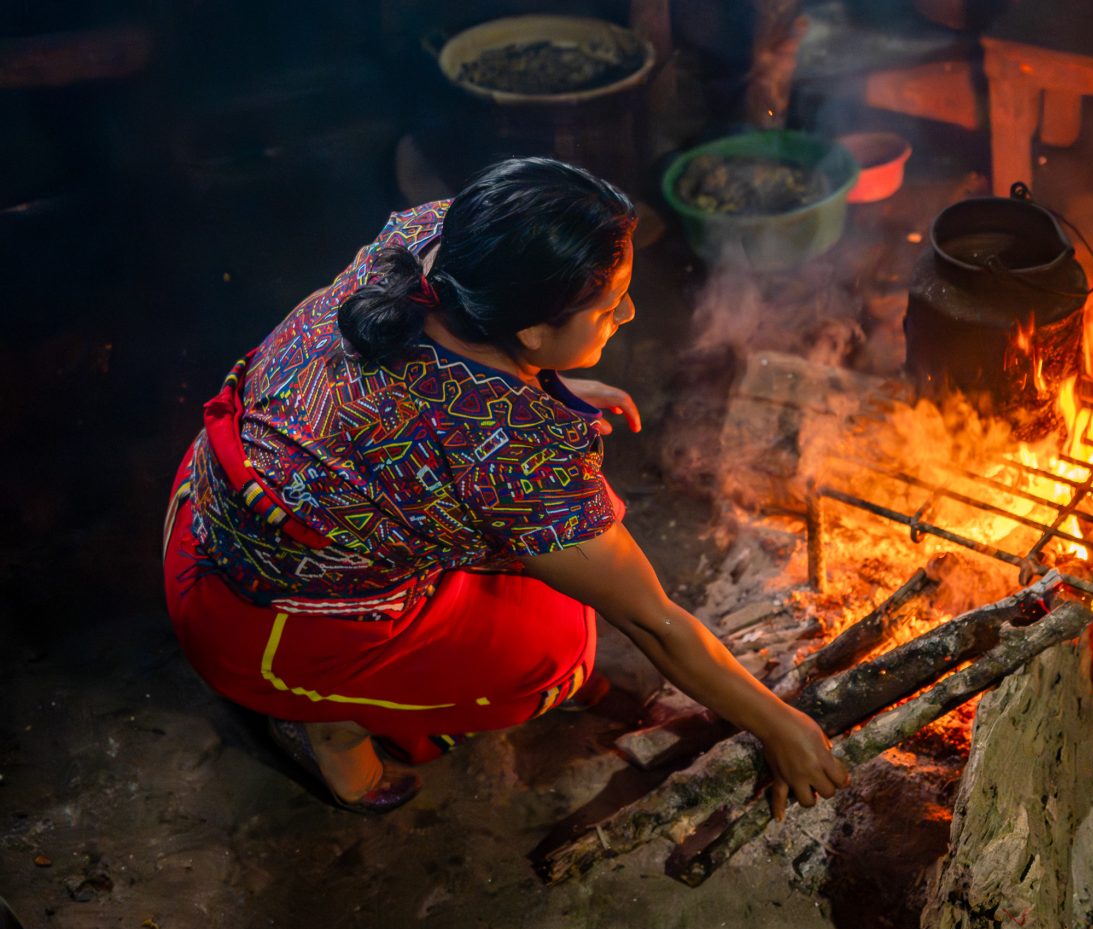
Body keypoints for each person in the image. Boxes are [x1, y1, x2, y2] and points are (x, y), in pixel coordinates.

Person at [162, 157, 848, 817]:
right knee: (561, 653)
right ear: (528, 330)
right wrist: (782, 727)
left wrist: (544, 383)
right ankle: (332, 729)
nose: (631, 313)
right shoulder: (516, 456)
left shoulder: (430, 242)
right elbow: (652, 622)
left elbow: (427, 384)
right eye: (610, 307)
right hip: (260, 613)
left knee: (546, 577)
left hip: (209, 497)